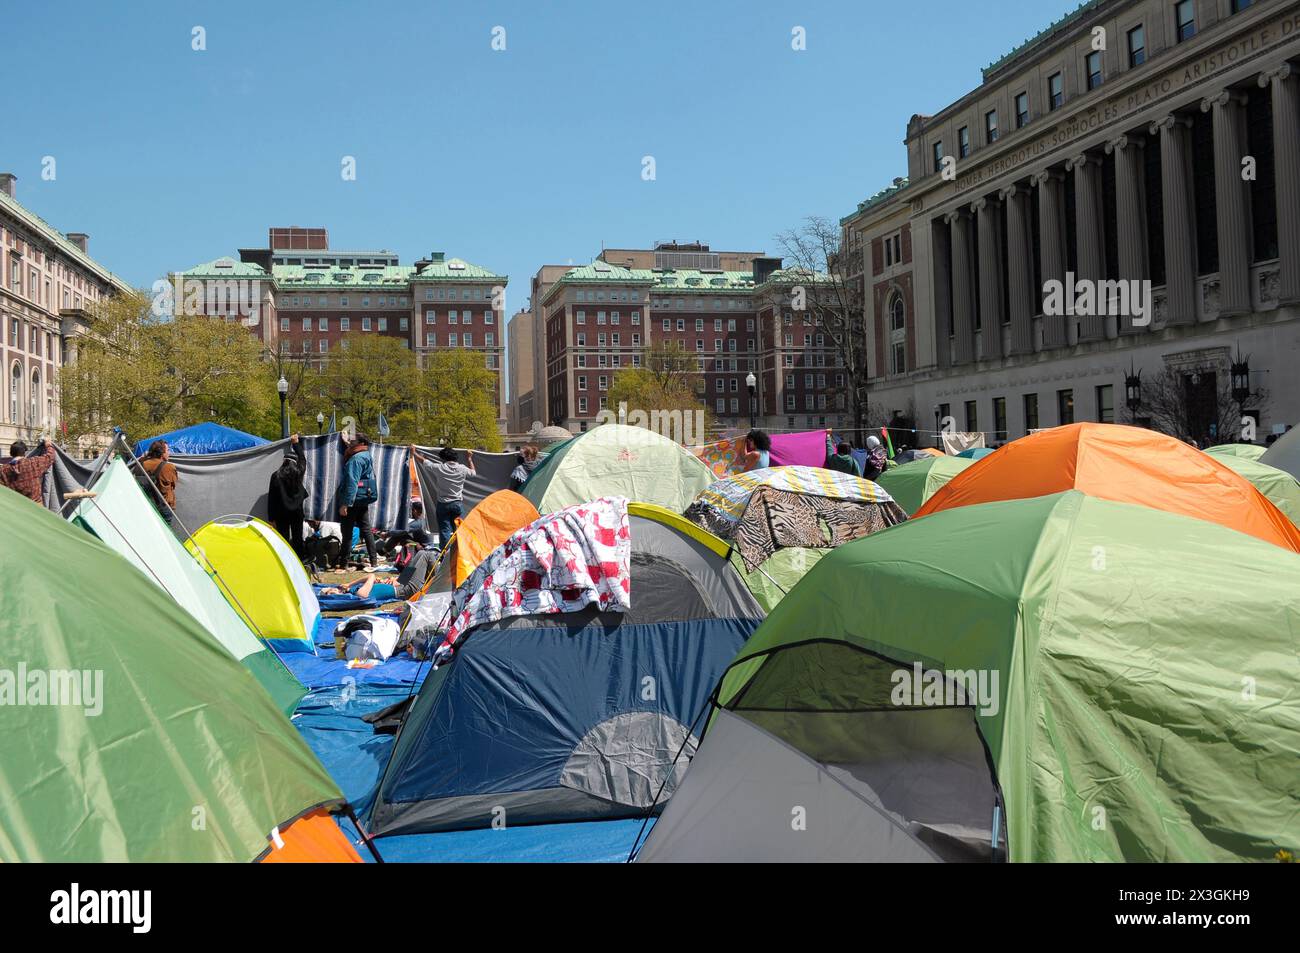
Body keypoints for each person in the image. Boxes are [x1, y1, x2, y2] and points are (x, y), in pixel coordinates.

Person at [334, 432, 379, 572]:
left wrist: (346, 503)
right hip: (363, 498)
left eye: (353, 441)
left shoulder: (355, 459)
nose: (350, 443)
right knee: (366, 530)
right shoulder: (366, 455)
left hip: (352, 500)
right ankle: (374, 560)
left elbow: (352, 482)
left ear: (360, 444)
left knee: (347, 532)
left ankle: (344, 563)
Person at [267, 434, 307, 556]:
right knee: (297, 538)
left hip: (281, 513)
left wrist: (271, 519)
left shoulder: (276, 475)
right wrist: (295, 443)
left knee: (283, 539)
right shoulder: (299, 472)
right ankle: (300, 560)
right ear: (295, 463)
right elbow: (302, 458)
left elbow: (271, 499)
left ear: (284, 461)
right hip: (297, 512)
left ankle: (285, 560)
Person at [429, 446, 476, 551]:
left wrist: (415, 453)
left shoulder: (439, 467)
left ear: (444, 458)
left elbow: (425, 462)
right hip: (457, 503)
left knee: (445, 530)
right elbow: (473, 473)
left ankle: (446, 553)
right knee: (459, 529)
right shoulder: (462, 468)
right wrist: (469, 459)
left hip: (443, 504)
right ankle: (460, 551)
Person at [1, 438, 56, 504]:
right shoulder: (32, 463)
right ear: (24, 453)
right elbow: (50, 457)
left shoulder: (3, 470)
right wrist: (48, 445)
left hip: (15, 508)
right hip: (35, 507)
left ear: (11, 453)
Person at [139, 440, 178, 524]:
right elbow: (174, 484)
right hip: (163, 506)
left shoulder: (141, 464)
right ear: (161, 453)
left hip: (147, 505)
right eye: (167, 450)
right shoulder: (169, 467)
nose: (169, 453)